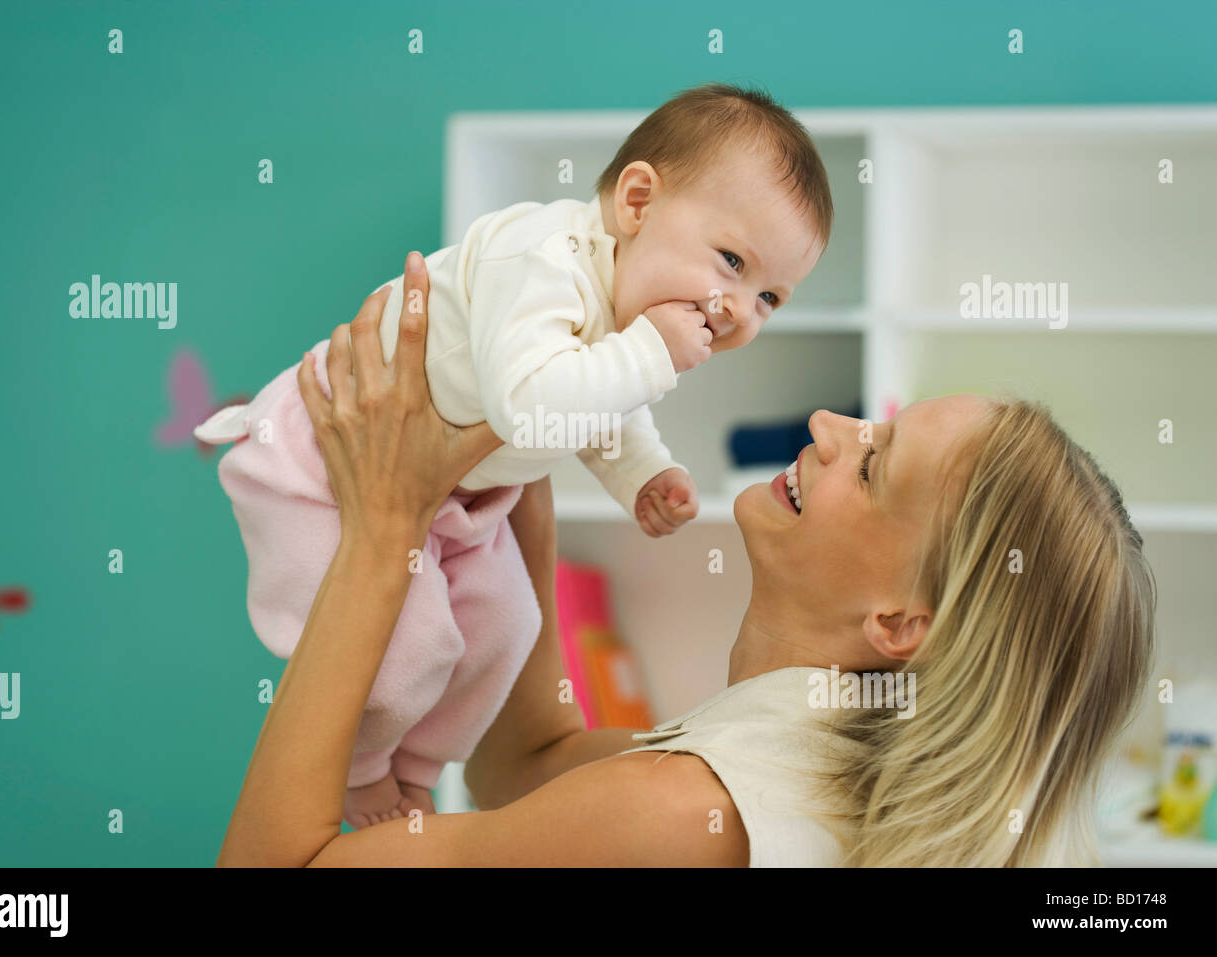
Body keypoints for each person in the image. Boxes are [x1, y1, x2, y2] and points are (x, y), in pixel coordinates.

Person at [217, 251, 1156, 867]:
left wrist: (385, 532)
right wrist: (523, 452)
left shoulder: (679, 817)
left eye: (874, 466)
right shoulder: (812, 784)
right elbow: (530, 765)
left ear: (903, 623)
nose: (831, 428)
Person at [195, 82, 831, 826]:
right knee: (414, 643)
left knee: (509, 623)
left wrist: (642, 473)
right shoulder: (539, 260)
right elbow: (533, 404)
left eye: (770, 299)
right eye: (732, 261)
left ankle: (417, 762)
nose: (738, 311)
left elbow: (600, 406)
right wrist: (653, 352)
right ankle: (361, 770)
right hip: (328, 463)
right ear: (636, 202)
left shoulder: (619, 313)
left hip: (449, 499)